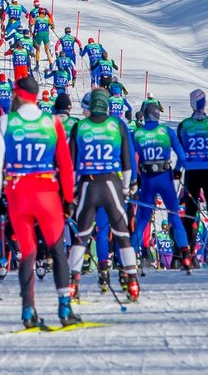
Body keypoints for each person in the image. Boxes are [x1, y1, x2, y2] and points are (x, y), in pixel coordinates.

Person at [0, 76, 79, 329]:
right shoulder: (52, 122)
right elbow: (65, 164)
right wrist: (68, 199)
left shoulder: (6, 121)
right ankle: (65, 308)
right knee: (57, 250)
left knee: (27, 251)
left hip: (18, 192)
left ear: (17, 95)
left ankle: (28, 310)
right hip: (47, 191)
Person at [67, 87, 140, 300]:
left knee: (81, 237)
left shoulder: (79, 126)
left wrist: (72, 191)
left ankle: (73, 283)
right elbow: (127, 161)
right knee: (122, 234)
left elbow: (71, 165)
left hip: (88, 184)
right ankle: (132, 280)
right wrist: (127, 188)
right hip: (112, 183)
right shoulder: (117, 125)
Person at [130, 98, 193, 271]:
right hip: (165, 177)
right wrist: (178, 171)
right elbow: (182, 157)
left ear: (144, 115)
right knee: (174, 216)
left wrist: (135, 179)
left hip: (148, 179)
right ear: (158, 115)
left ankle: (130, 257)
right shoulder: (166, 131)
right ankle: (186, 255)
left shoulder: (137, 133)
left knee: (142, 219)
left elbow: (130, 160)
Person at [176, 88, 208, 263]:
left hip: (192, 170)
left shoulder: (184, 125)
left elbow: (181, 148)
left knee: (190, 211)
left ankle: (187, 251)